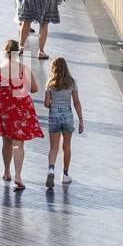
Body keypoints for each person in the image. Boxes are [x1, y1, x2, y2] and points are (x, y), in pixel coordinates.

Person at [0, 39, 43, 190]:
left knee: (6, 141)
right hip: (21, 105)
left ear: (4, 52)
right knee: (18, 143)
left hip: (4, 106)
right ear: (18, 53)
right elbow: (34, 89)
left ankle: (6, 171)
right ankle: (18, 176)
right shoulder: (24, 68)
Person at [43, 56, 84, 189]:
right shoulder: (72, 82)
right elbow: (76, 102)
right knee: (66, 146)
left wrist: (51, 102)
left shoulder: (50, 83)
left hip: (54, 116)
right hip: (67, 116)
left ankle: (51, 169)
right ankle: (65, 175)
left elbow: (47, 103)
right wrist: (81, 120)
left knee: (53, 147)